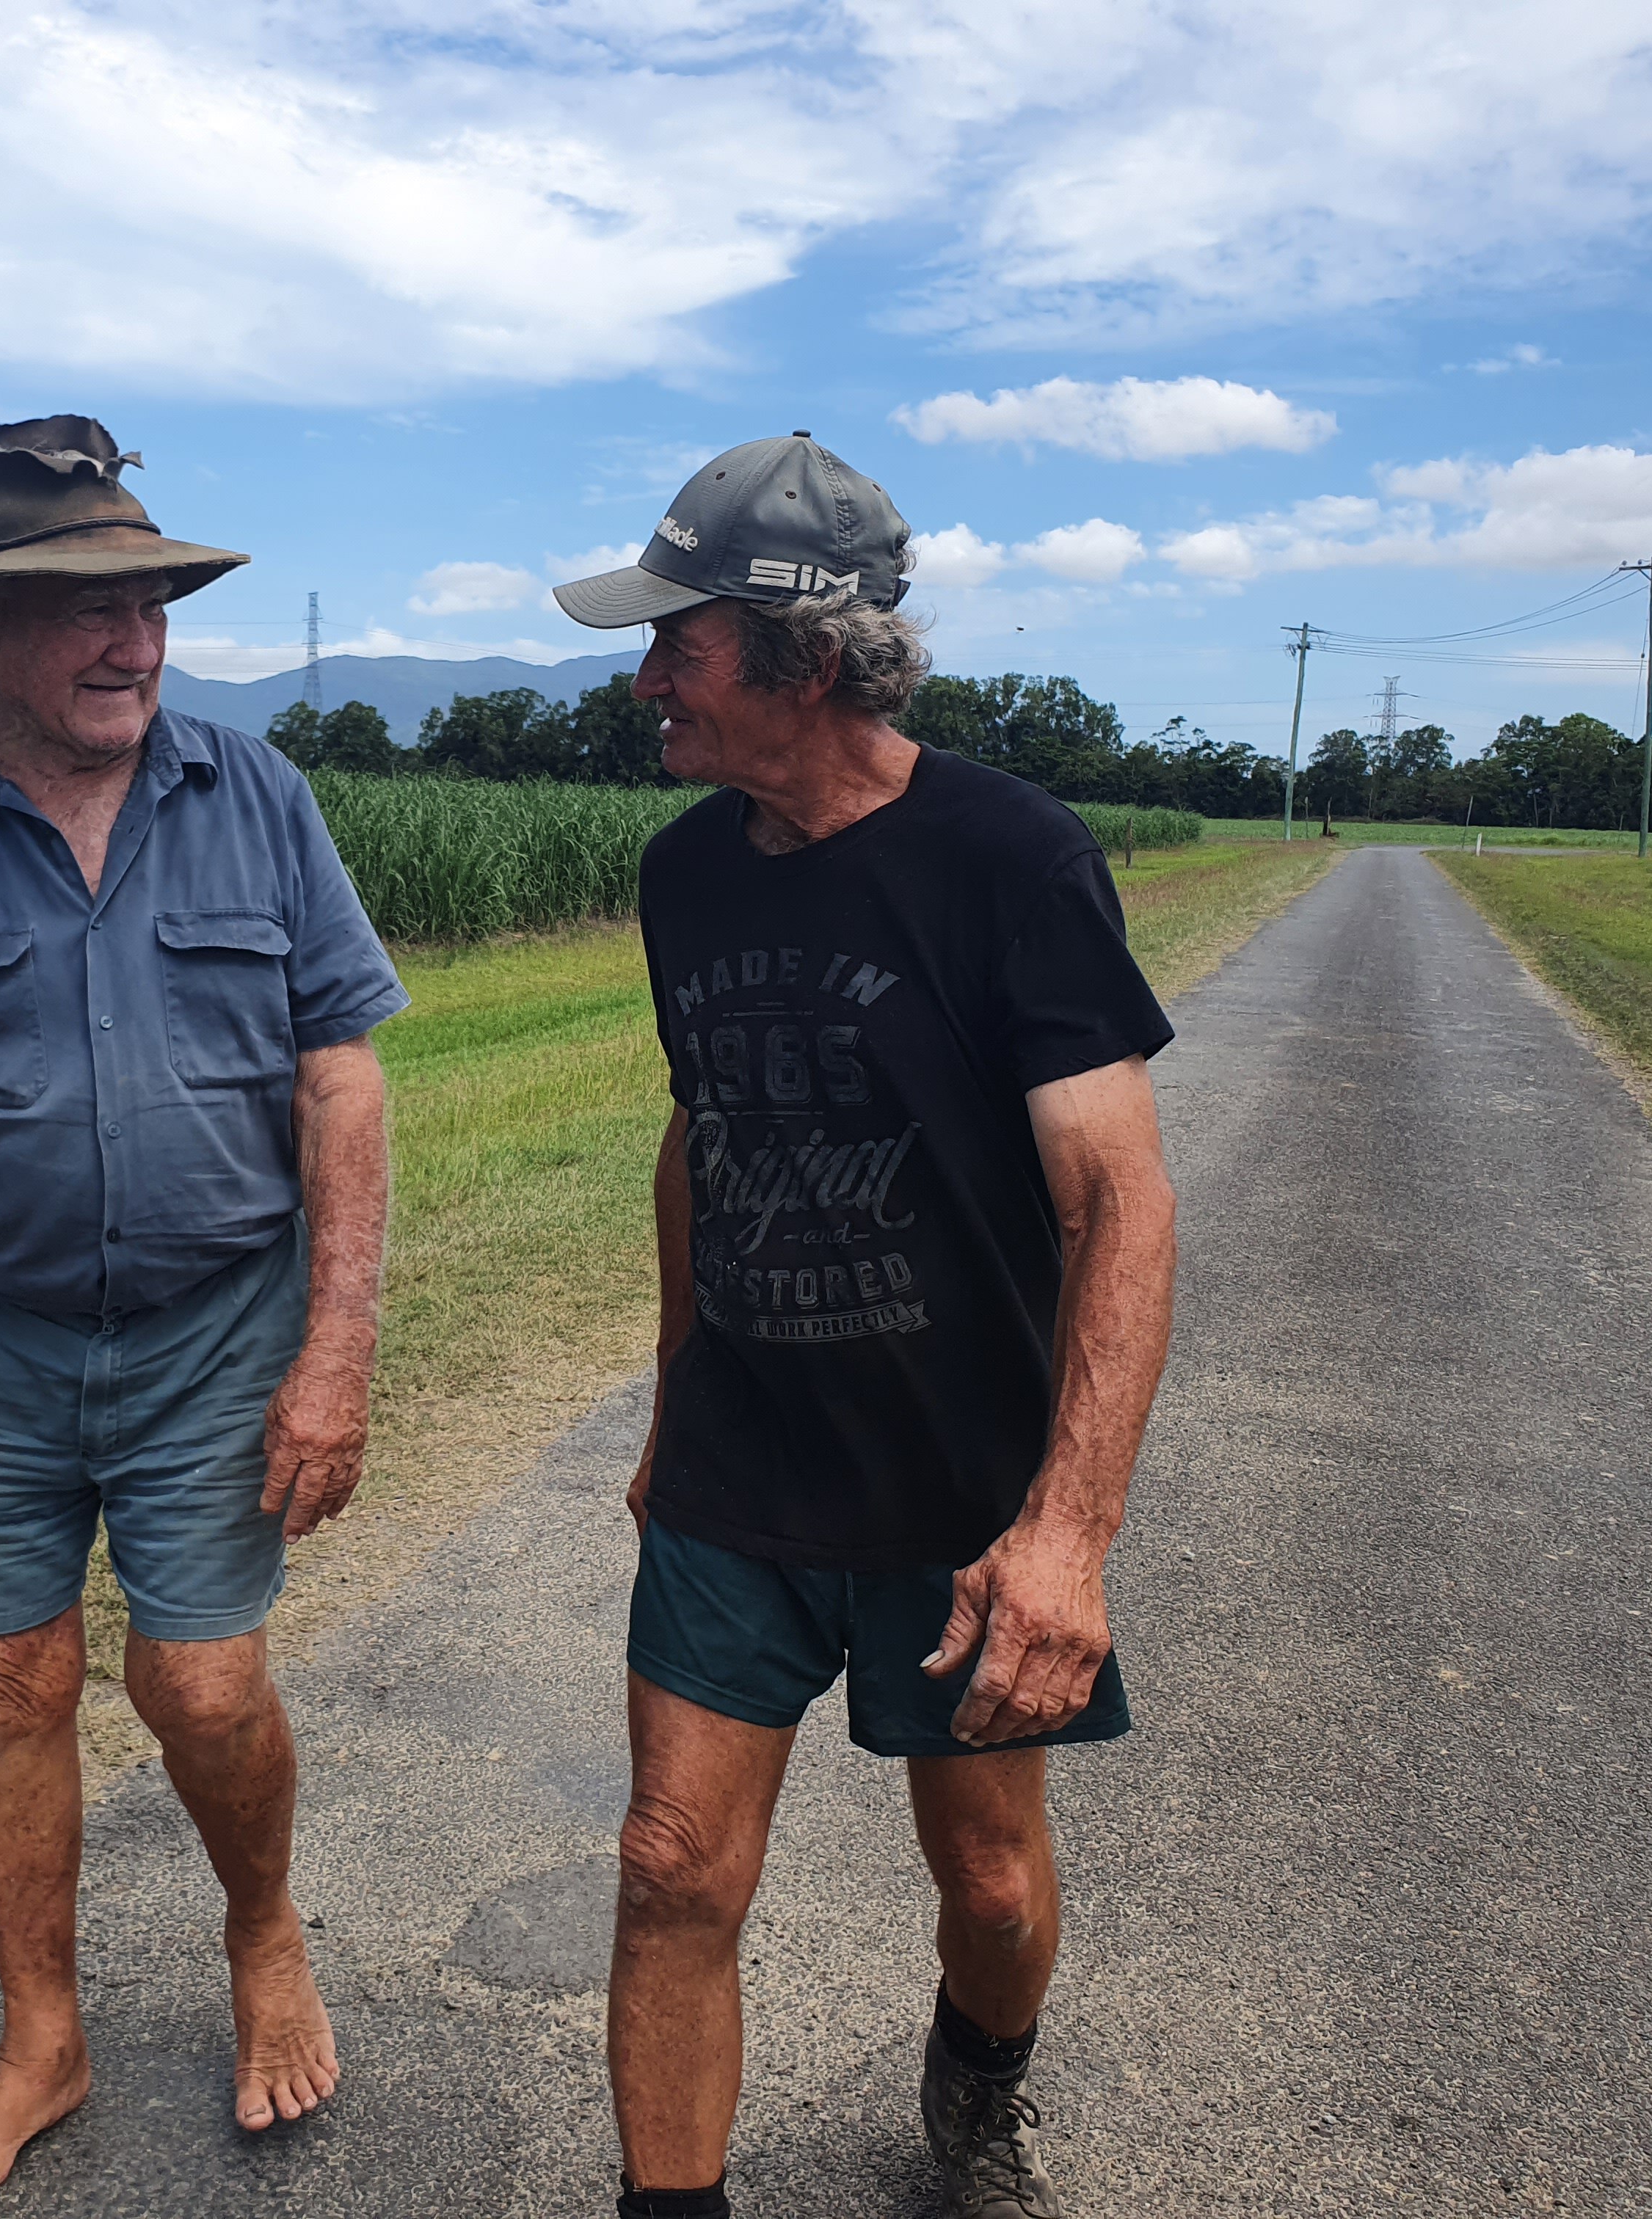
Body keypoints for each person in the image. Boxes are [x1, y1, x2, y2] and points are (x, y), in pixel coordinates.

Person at [0, 415, 406, 2218]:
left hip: (216, 1330)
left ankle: (262, 1931)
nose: (134, 639)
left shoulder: (256, 795)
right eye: (84, 606)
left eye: (152, 601)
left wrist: (337, 1352)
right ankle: (44, 2040)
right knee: (2, 1686)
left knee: (200, 1682)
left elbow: (340, 1078)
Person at [553, 434, 1179, 2219]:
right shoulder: (688, 874)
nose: (645, 678)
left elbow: (1120, 1205)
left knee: (990, 1885)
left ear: (805, 658)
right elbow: (704, 1133)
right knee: (672, 1865)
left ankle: (979, 2082)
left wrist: (1067, 1535)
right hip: (741, 1471)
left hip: (960, 1491)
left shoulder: (1012, 860)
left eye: (678, 642)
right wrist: (672, 1403)